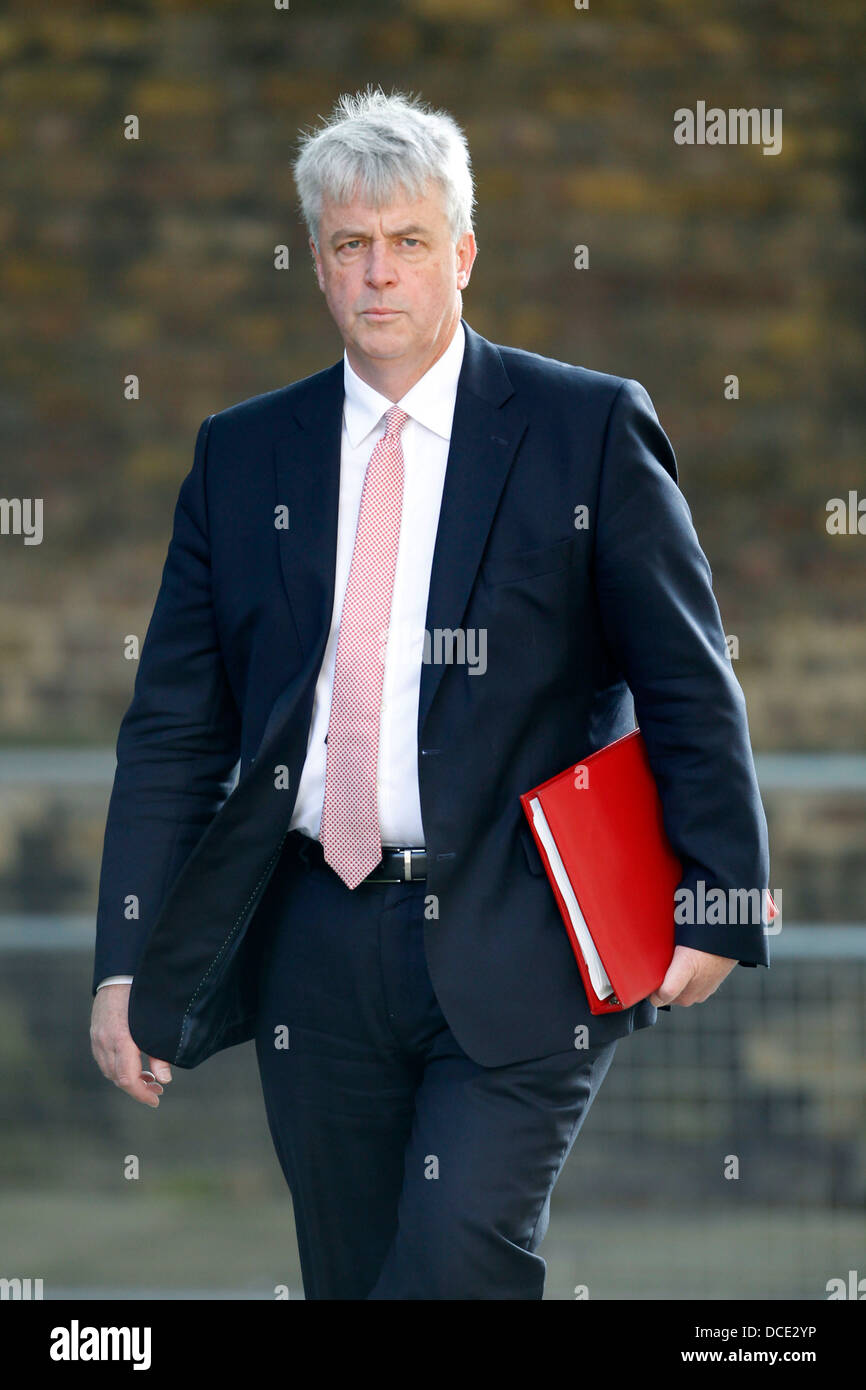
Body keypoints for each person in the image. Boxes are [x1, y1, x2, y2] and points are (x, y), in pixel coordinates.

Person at [90, 87, 771, 1300]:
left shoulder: (585, 429)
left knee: (457, 1258)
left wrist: (722, 891)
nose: (378, 274)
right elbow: (174, 732)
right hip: (313, 942)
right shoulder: (242, 456)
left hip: (521, 932)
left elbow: (685, 670)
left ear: (461, 253)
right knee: (351, 1278)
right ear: (316, 263)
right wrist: (125, 961)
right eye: (350, 245)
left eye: (407, 241)